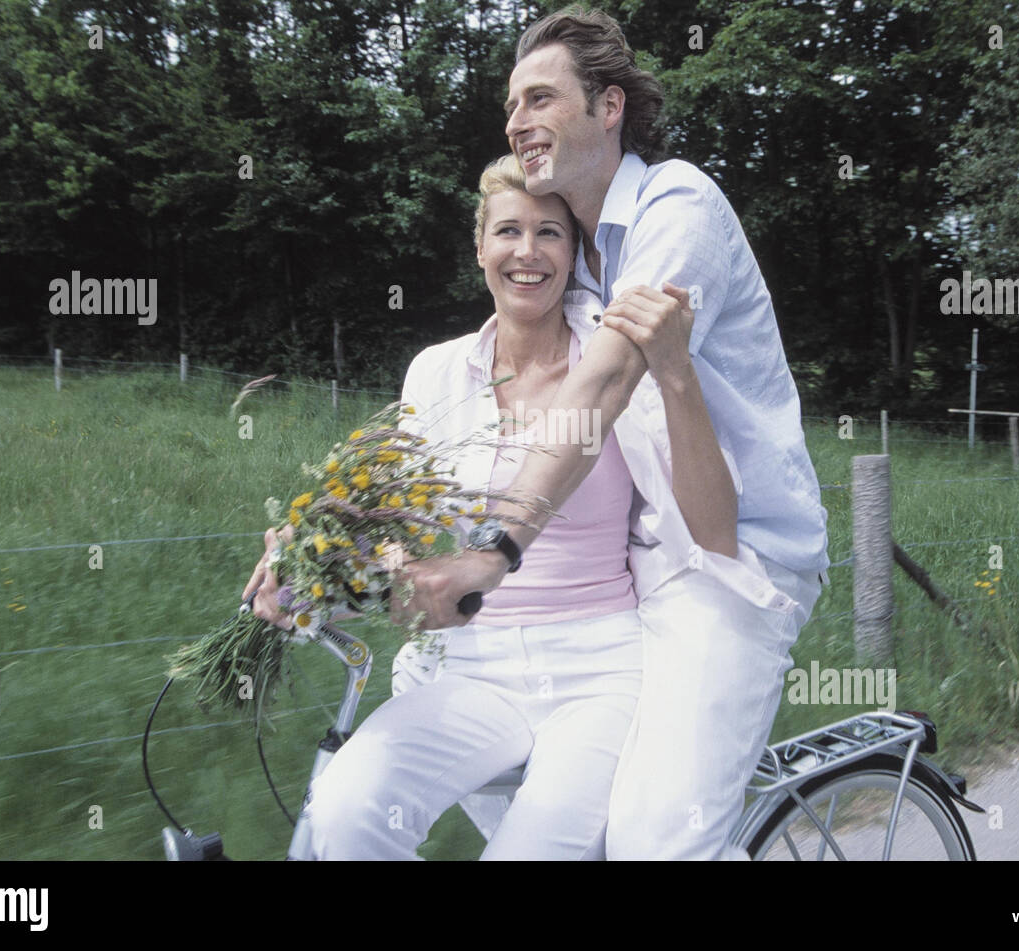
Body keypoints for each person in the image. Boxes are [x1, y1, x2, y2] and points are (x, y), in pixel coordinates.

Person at [394, 5, 830, 860]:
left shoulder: (679, 209)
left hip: (731, 566)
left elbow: (599, 387)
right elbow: (489, 413)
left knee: (655, 838)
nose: (518, 122)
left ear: (609, 107)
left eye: (541, 98)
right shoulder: (579, 254)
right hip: (640, 569)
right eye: (512, 106)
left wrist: (496, 546)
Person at [244, 153, 739, 859]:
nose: (528, 252)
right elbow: (400, 539)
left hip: (601, 672)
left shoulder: (616, 361)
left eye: (551, 233)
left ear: (577, 254)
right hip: (473, 665)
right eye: (509, 230)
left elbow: (710, 525)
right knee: (344, 814)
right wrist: (315, 563)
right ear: (480, 246)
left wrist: (676, 369)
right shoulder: (436, 372)